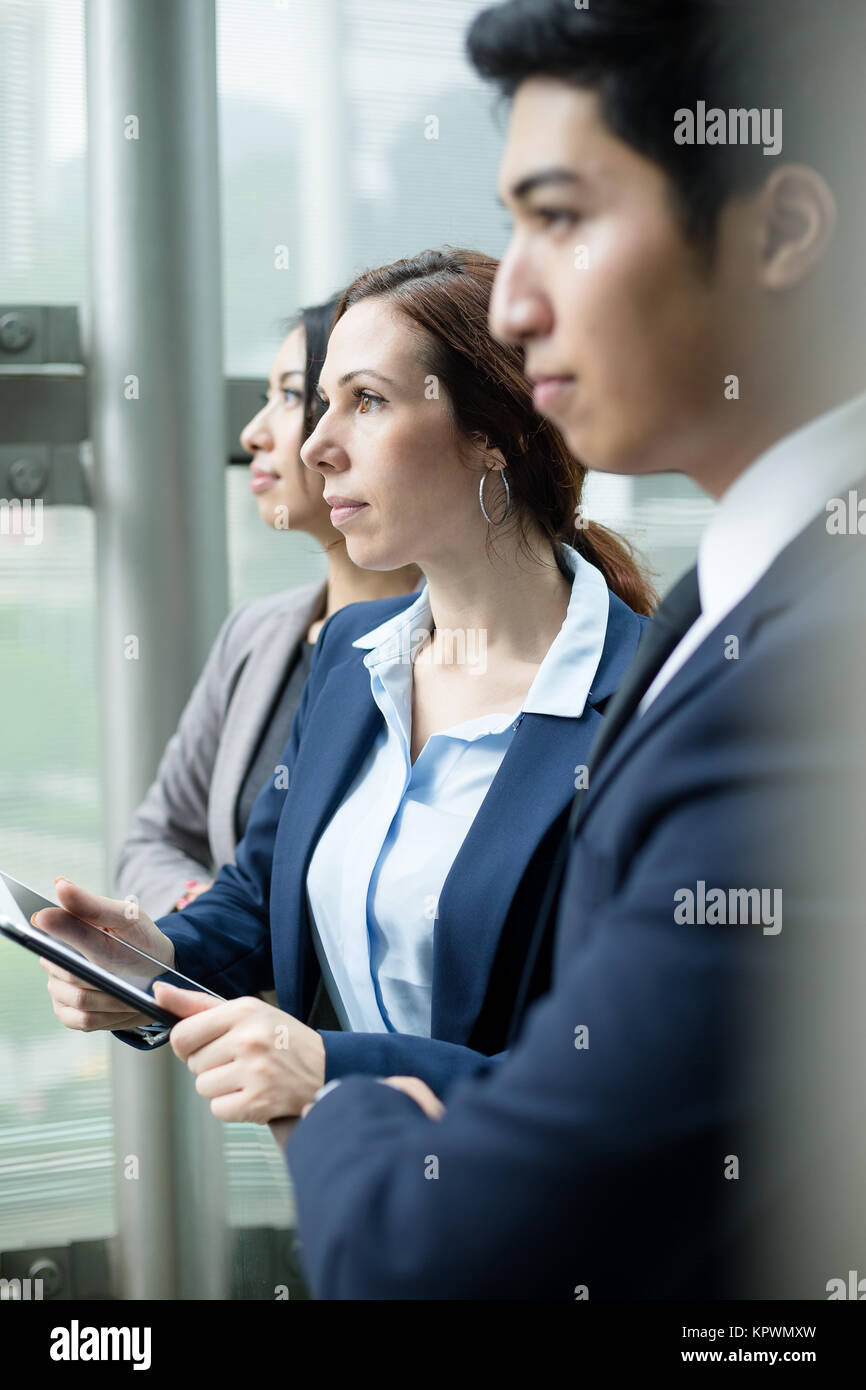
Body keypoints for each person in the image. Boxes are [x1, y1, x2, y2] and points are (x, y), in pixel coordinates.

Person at [278, 0, 866, 1299]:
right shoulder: (745, 595)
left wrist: (329, 1093)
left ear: (780, 228)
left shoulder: (805, 678)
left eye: (559, 217)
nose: (518, 301)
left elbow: (436, 1252)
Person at [38, 249, 653, 1105]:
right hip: (362, 1205)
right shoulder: (353, 651)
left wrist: (331, 1066)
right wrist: (151, 958)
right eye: (322, 405)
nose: (318, 446)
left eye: (366, 402)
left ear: (493, 435)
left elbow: (624, 1076)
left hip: (545, 1223)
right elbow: (260, 897)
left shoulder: (648, 707)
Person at [113, 297, 422, 926]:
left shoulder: (457, 647)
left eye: (288, 396)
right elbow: (156, 839)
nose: (255, 433)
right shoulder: (258, 635)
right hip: (236, 1004)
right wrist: (216, 921)